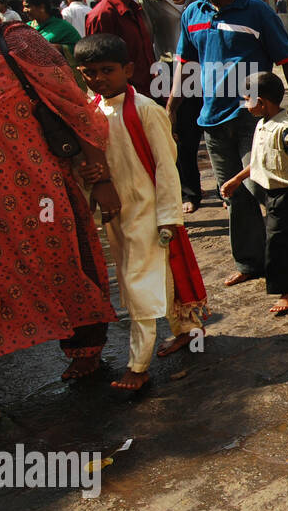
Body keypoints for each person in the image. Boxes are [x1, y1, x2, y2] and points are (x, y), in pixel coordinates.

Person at [74, 33, 207, 393]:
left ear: (128, 69)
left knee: (139, 287)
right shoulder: (91, 110)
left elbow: (167, 168)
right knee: (153, 275)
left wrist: (168, 218)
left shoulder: (146, 110)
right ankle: (189, 330)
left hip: (148, 216)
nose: (98, 79)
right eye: (88, 73)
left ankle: (138, 365)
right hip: (116, 216)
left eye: (106, 70)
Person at [172, 0, 288, 287]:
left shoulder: (256, 11)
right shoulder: (192, 14)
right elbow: (185, 64)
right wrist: (172, 105)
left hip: (253, 118)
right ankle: (251, 263)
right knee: (233, 195)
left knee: (265, 187)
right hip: (212, 120)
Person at [0, 19, 118, 380]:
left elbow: (75, 107)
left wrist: (101, 177)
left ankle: (86, 350)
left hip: (42, 192)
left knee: (69, 262)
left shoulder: (17, 41)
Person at [219, 72, 288, 317]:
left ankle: (287, 290)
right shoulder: (262, 126)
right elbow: (256, 162)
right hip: (273, 193)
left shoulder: (287, 129)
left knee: (276, 244)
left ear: (262, 102)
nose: (245, 105)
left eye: (248, 100)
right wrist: (236, 179)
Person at [141, 0, 202, 212]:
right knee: (180, 133)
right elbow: (147, 38)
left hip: (203, 67)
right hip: (168, 70)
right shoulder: (149, 0)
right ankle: (189, 193)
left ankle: (227, 188)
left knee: (211, 127)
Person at [85, 0, 157, 98]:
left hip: (149, 94)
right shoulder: (102, 15)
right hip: (125, 101)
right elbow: (99, 67)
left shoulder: (136, 9)